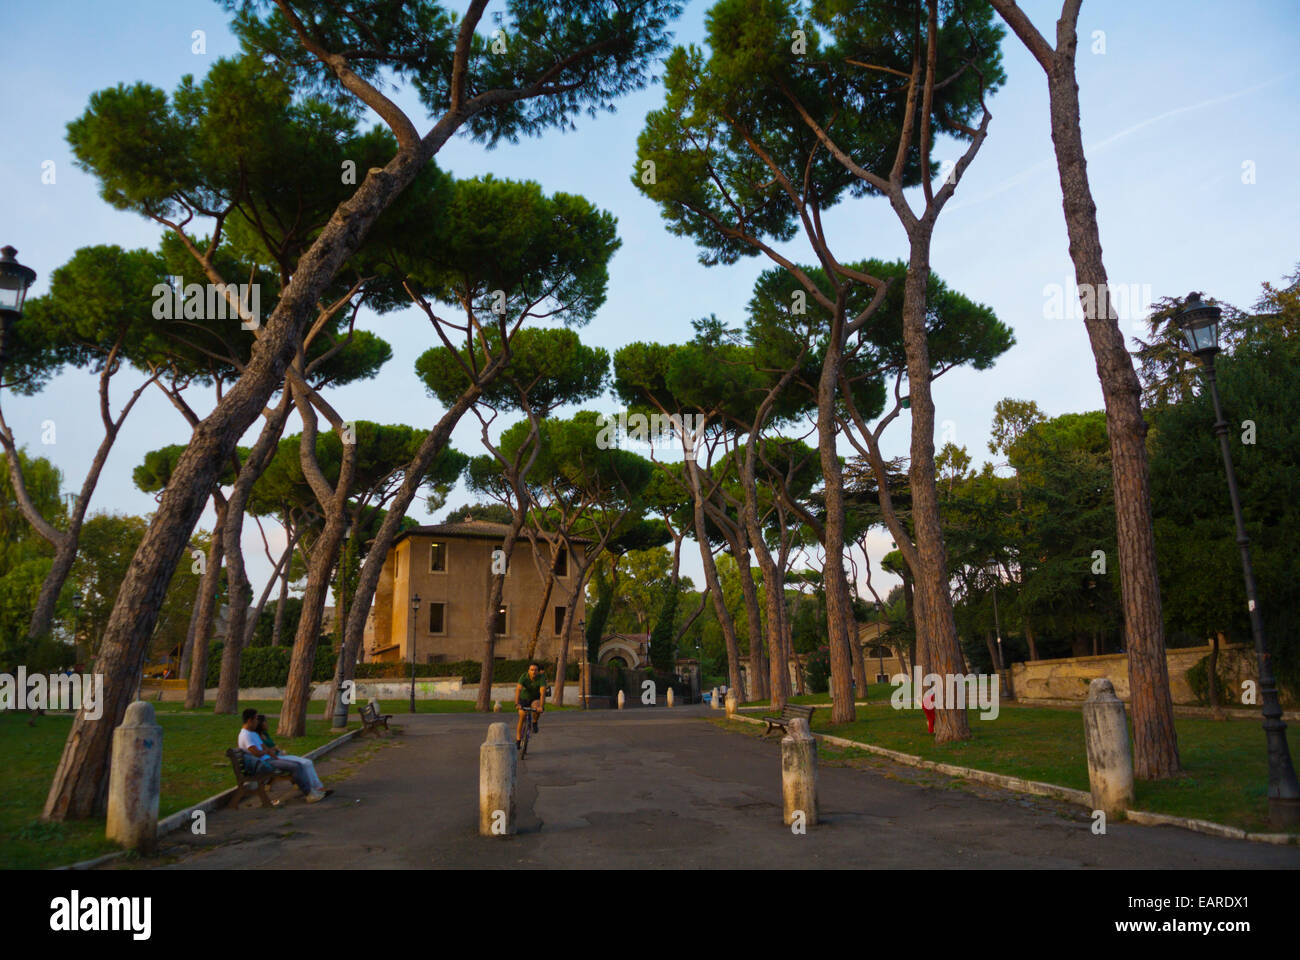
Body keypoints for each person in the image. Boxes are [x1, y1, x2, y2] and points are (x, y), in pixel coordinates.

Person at [238, 708, 330, 803]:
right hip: (263, 764)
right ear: (250, 720)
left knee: (297, 764)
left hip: (269, 760)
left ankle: (312, 791)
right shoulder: (246, 735)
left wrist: (276, 758)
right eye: (256, 719)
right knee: (295, 767)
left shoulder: (252, 734)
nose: (257, 722)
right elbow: (256, 753)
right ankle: (309, 794)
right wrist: (268, 753)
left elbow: (265, 748)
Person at [255, 714, 325, 793]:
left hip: (278, 755)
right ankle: (317, 787)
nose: (267, 723)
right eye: (265, 721)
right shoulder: (257, 737)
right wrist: (274, 750)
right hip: (274, 758)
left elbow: (273, 747)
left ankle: (315, 786)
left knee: (306, 762)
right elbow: (267, 750)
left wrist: (278, 750)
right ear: (260, 724)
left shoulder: (265, 734)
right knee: (306, 763)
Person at [515, 662, 546, 750]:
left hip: (535, 699)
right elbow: (518, 690)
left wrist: (541, 706)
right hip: (524, 699)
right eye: (532, 670)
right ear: (528, 671)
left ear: (538, 671)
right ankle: (518, 739)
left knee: (536, 708)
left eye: (535, 670)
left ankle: (535, 722)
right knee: (522, 715)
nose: (533, 672)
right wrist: (517, 703)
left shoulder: (541, 678)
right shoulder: (524, 677)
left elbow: (542, 693)